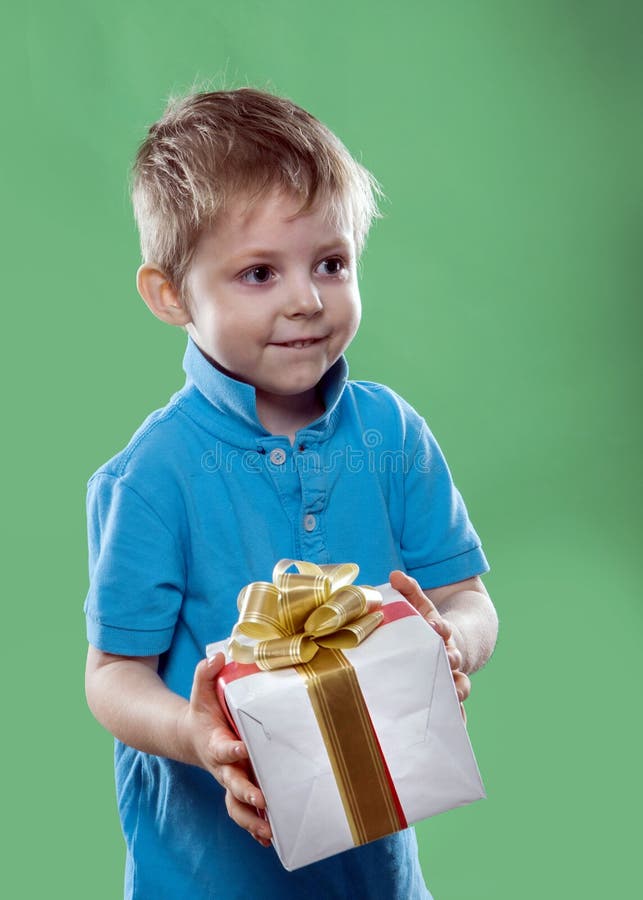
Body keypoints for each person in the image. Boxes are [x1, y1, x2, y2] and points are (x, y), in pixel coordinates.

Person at [84, 87, 499, 900]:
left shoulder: (392, 433)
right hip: (204, 877)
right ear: (171, 295)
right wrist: (194, 733)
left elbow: (467, 597)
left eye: (330, 264)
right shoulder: (153, 473)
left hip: (372, 872)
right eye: (258, 273)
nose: (305, 299)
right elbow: (112, 675)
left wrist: (453, 642)